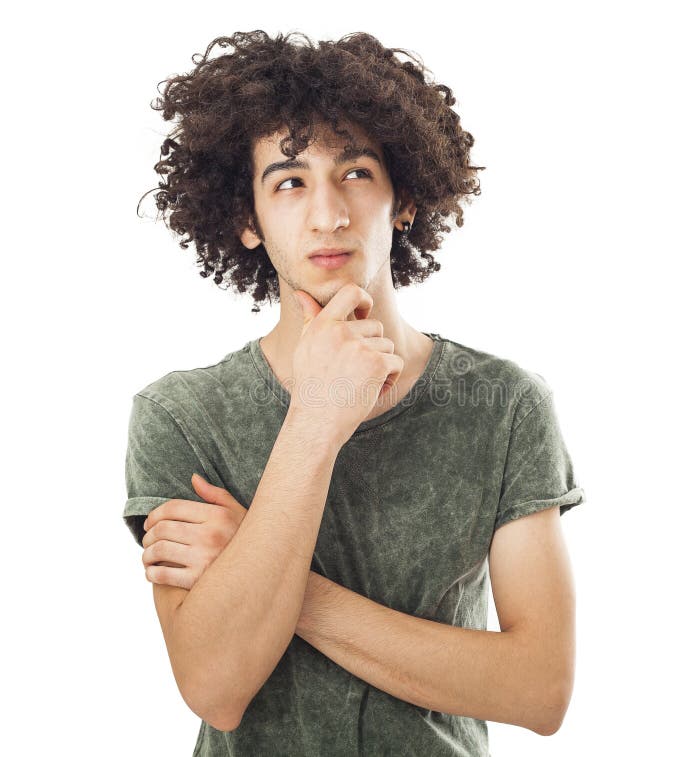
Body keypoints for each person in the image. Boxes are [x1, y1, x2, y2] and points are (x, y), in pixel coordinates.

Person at [124, 30, 586, 756]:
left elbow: (540, 689)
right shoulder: (181, 417)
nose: (328, 214)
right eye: (289, 181)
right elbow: (216, 687)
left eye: (357, 172)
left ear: (404, 198)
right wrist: (315, 418)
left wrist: (269, 572)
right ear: (246, 218)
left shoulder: (504, 405)